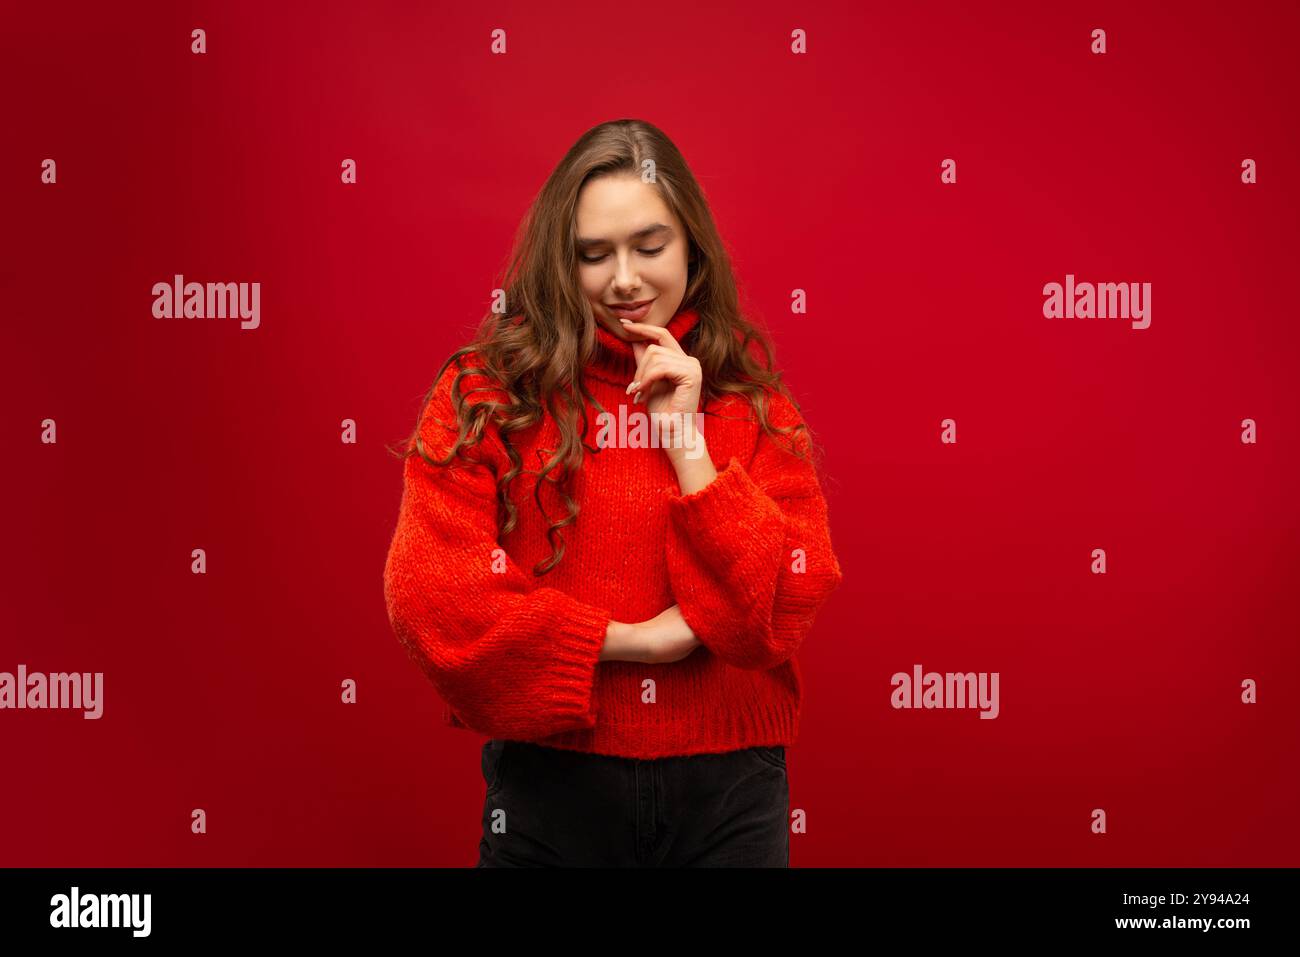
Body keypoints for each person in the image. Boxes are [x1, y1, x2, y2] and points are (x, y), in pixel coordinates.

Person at [382, 118, 844, 866]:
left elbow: (772, 618)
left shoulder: (753, 405)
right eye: (592, 255)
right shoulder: (487, 392)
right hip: (550, 788)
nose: (623, 278)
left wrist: (686, 443)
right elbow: (432, 599)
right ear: (561, 263)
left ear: (693, 244)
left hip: (730, 795)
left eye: (649, 246)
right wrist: (627, 642)